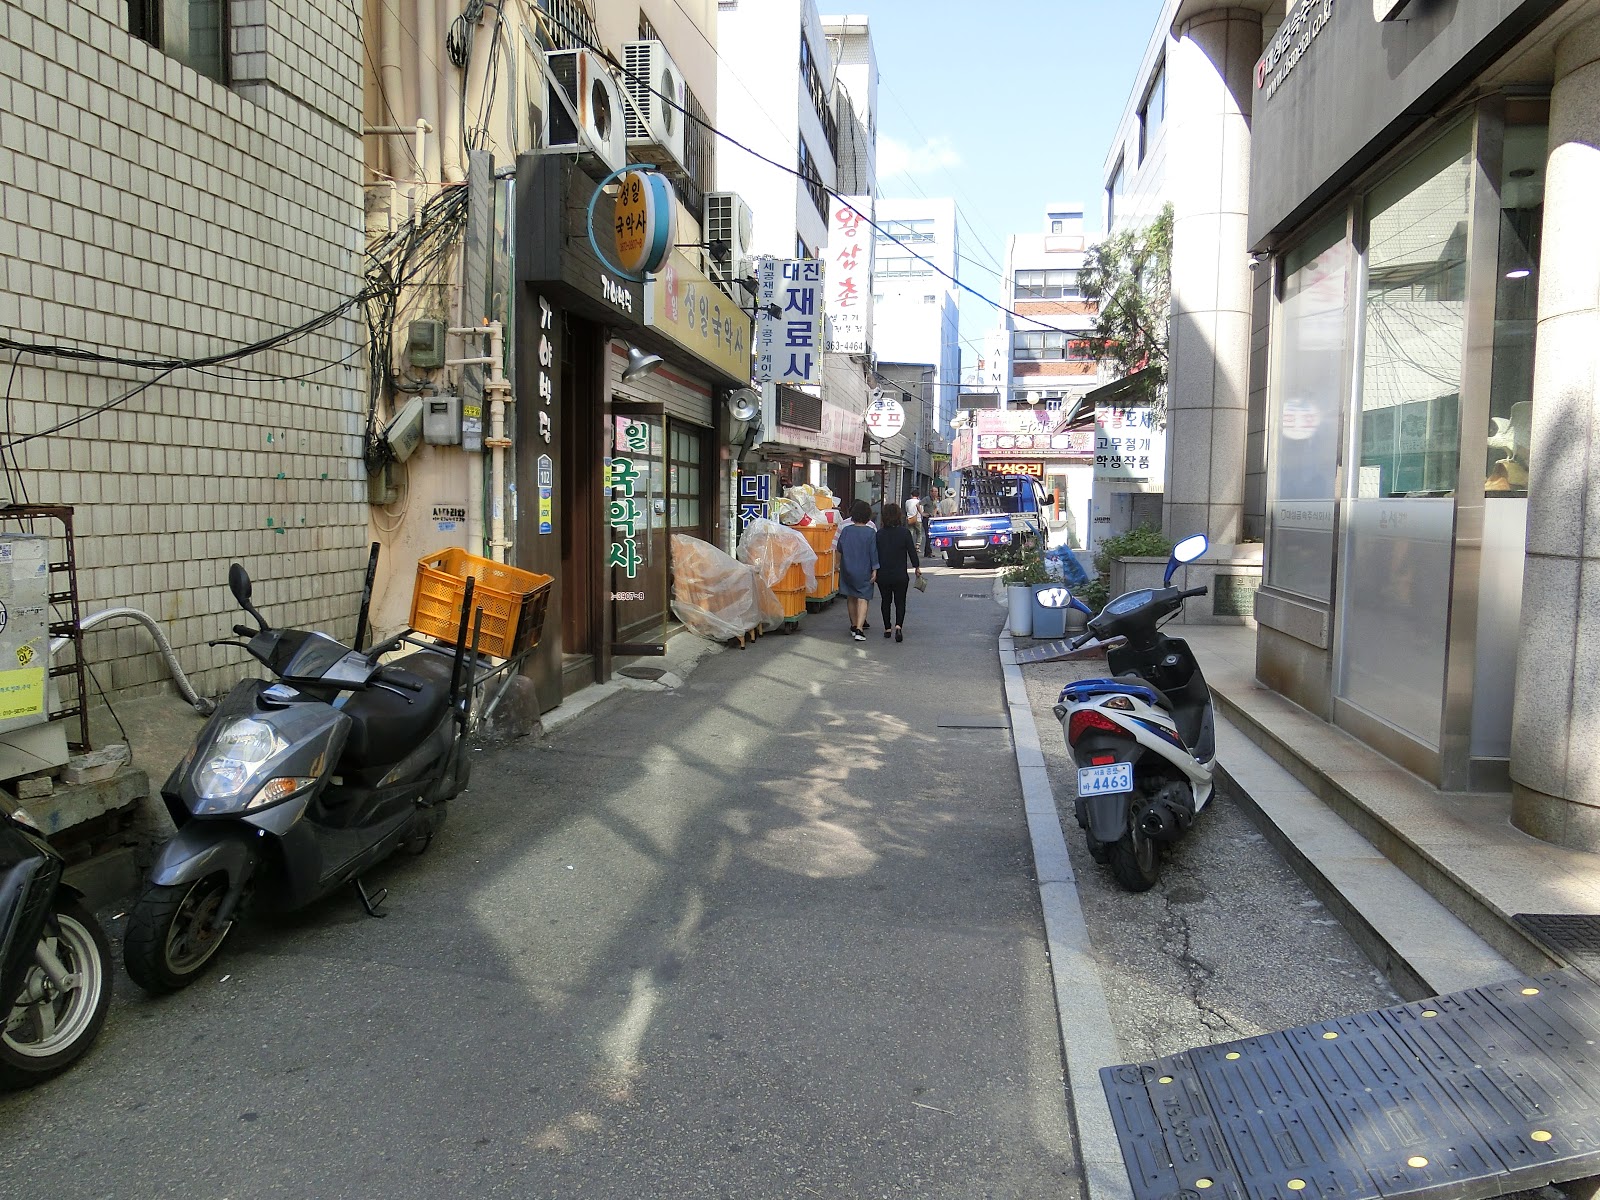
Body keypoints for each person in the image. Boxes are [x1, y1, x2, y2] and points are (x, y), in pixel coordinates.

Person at [875, 503, 921, 642]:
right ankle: (898, 626)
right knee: (900, 601)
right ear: (898, 516)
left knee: (885, 601)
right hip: (900, 574)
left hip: (883, 574)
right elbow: (912, 552)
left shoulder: (879, 534)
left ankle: (887, 628)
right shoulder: (904, 533)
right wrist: (917, 567)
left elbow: (874, 553)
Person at [835, 499, 879, 642]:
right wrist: (875, 569)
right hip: (864, 569)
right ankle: (860, 628)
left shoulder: (846, 530)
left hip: (847, 568)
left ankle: (853, 625)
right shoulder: (871, 532)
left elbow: (838, 549)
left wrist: (837, 565)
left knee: (851, 596)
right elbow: (874, 552)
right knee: (862, 598)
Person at [903, 490, 922, 554]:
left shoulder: (907, 501)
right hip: (918, 519)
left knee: (910, 532)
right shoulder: (920, 502)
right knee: (919, 533)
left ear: (911, 495)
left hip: (909, 519)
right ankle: (917, 546)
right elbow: (921, 511)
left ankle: (909, 545)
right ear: (918, 496)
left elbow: (906, 509)